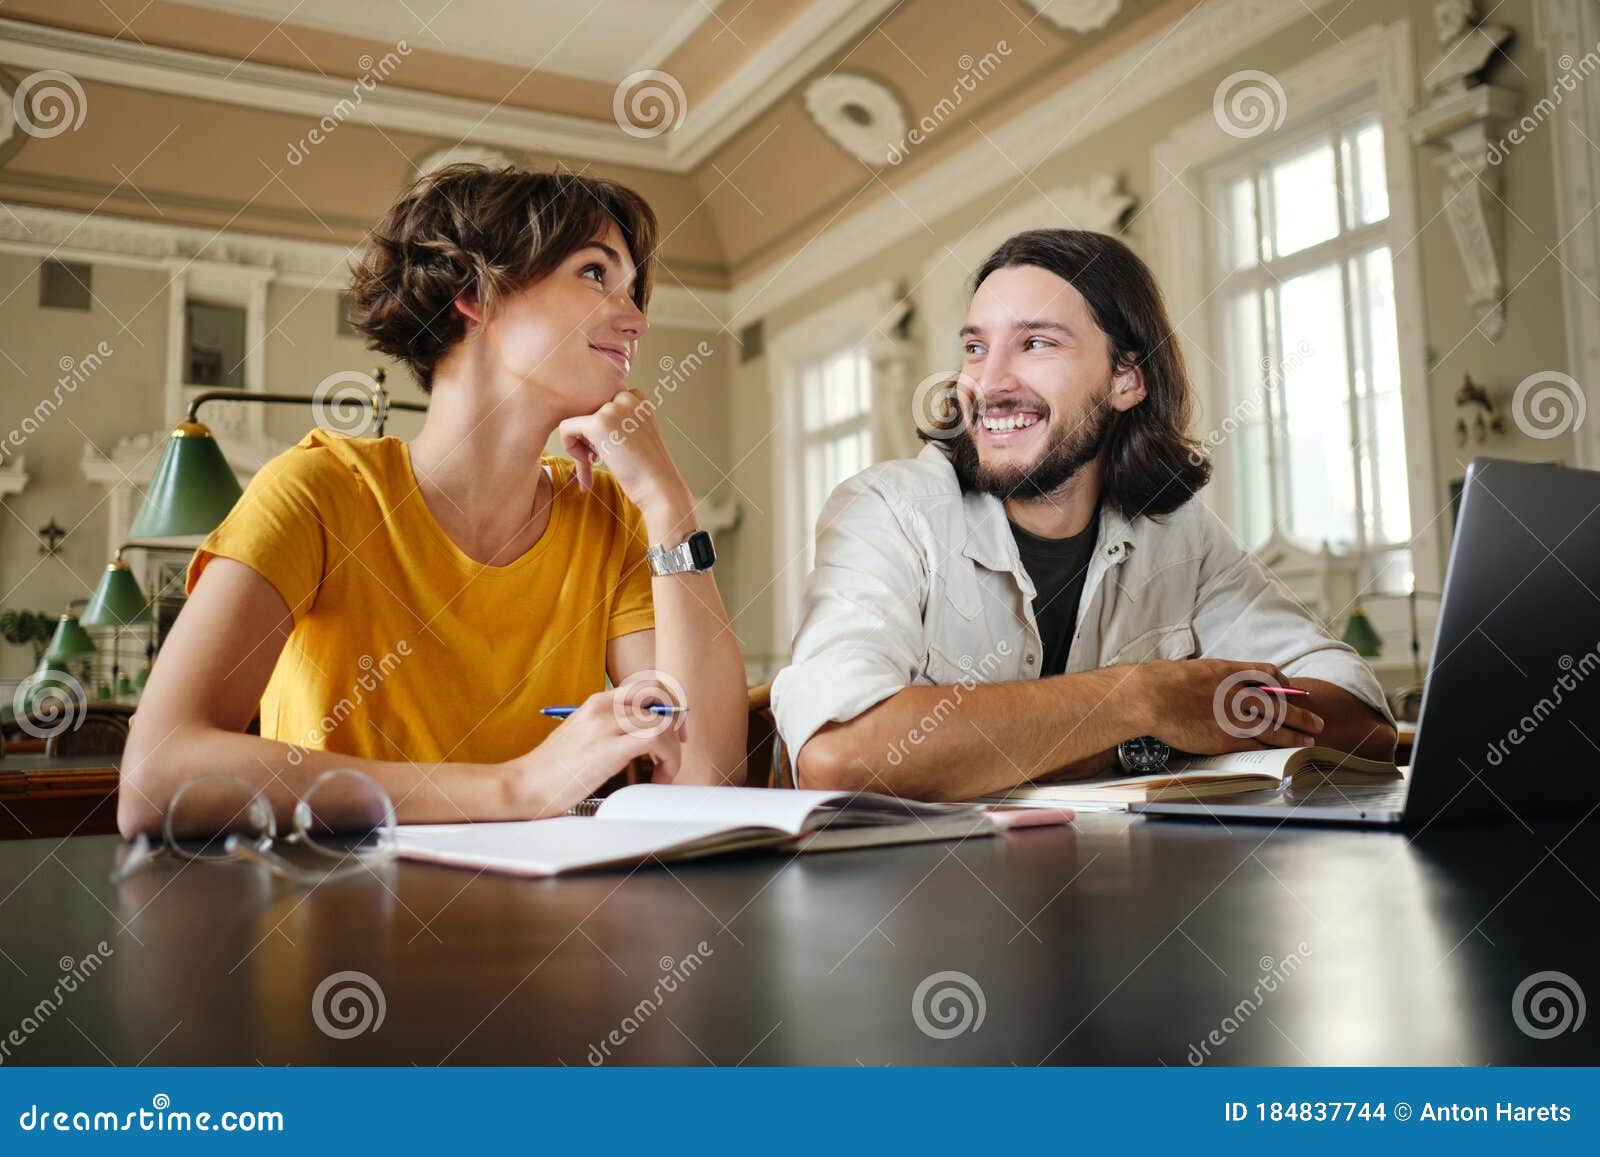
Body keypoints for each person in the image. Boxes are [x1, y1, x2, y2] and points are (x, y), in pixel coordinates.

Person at [119, 164, 747, 838]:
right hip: (339, 901)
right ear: (472, 293)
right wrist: (515, 787)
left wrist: (668, 502)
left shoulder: (609, 515)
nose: (638, 320)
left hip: (548, 905)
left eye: (632, 291)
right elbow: (156, 779)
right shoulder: (318, 492)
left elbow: (706, 780)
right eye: (595, 274)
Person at [772, 228, 1395, 801]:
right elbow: (839, 760)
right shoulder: (887, 512)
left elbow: (1361, 719)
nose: (988, 382)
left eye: (1036, 343)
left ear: (1127, 379)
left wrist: (1127, 741)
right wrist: (1141, 699)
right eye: (975, 347)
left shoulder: (1179, 531)